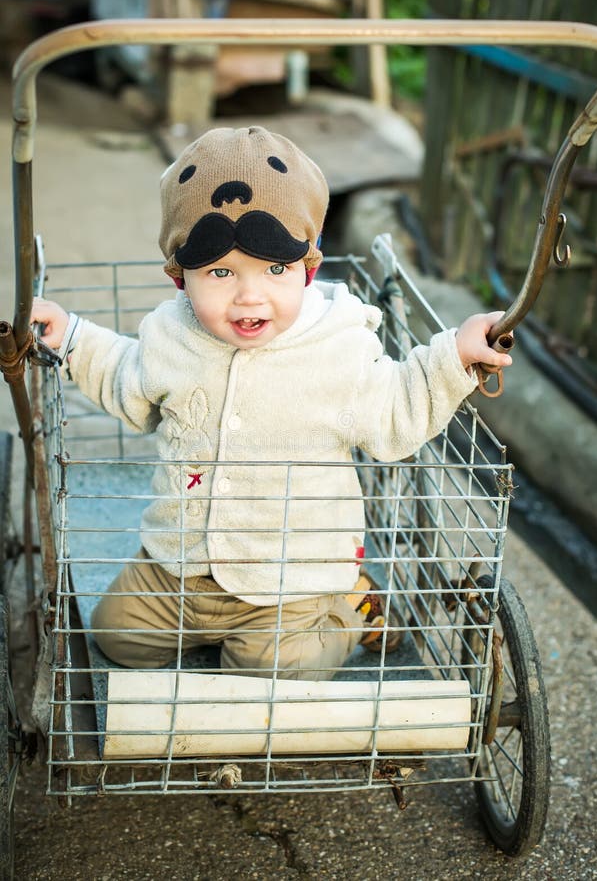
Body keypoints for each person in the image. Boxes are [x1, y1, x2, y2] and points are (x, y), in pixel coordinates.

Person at [31, 126, 512, 681]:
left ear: (309, 270)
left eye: (275, 270)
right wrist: (70, 338)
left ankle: (349, 608)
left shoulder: (339, 344)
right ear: (179, 278)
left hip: (292, 581)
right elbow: (123, 373)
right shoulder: (171, 335)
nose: (249, 295)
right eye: (220, 272)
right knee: (115, 637)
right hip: (177, 568)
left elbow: (395, 410)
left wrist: (453, 356)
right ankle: (210, 623)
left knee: (273, 671)